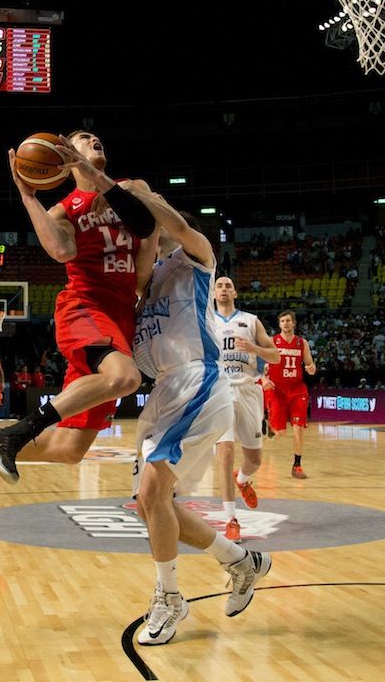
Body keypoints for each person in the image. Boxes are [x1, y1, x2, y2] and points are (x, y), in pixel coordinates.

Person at [0, 129, 159, 499]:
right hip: (85, 307)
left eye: (96, 137)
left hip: (121, 317)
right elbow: (61, 250)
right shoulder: (64, 210)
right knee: (126, 379)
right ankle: (12, 435)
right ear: (62, 155)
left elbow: (143, 261)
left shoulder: (131, 187)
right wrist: (28, 195)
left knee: (69, 449)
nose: (94, 139)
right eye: (82, 138)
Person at [128, 193, 272, 645]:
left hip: (198, 382)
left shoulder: (197, 256)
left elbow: (173, 225)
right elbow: (138, 265)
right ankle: (240, 562)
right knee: (151, 506)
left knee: (153, 493)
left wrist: (145, 197)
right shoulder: (148, 280)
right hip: (163, 391)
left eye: (155, 224)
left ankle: (169, 599)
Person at [211, 277, 280, 542]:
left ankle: (242, 480)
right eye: (220, 286)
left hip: (249, 389)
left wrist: (253, 348)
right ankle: (231, 519)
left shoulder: (251, 321)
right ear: (214, 293)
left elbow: (274, 355)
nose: (224, 289)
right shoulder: (207, 320)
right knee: (225, 451)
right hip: (220, 390)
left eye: (229, 286)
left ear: (235, 292)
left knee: (254, 459)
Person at [263, 310, 317, 478]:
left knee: (298, 428)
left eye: (288, 320)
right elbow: (262, 365)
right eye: (282, 321)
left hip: (297, 389)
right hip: (277, 389)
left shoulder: (302, 343)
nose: (285, 323)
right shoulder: (272, 342)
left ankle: (297, 465)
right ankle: (271, 426)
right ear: (279, 325)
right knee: (279, 432)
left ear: (294, 324)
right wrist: (264, 376)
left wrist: (312, 368)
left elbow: (310, 365)